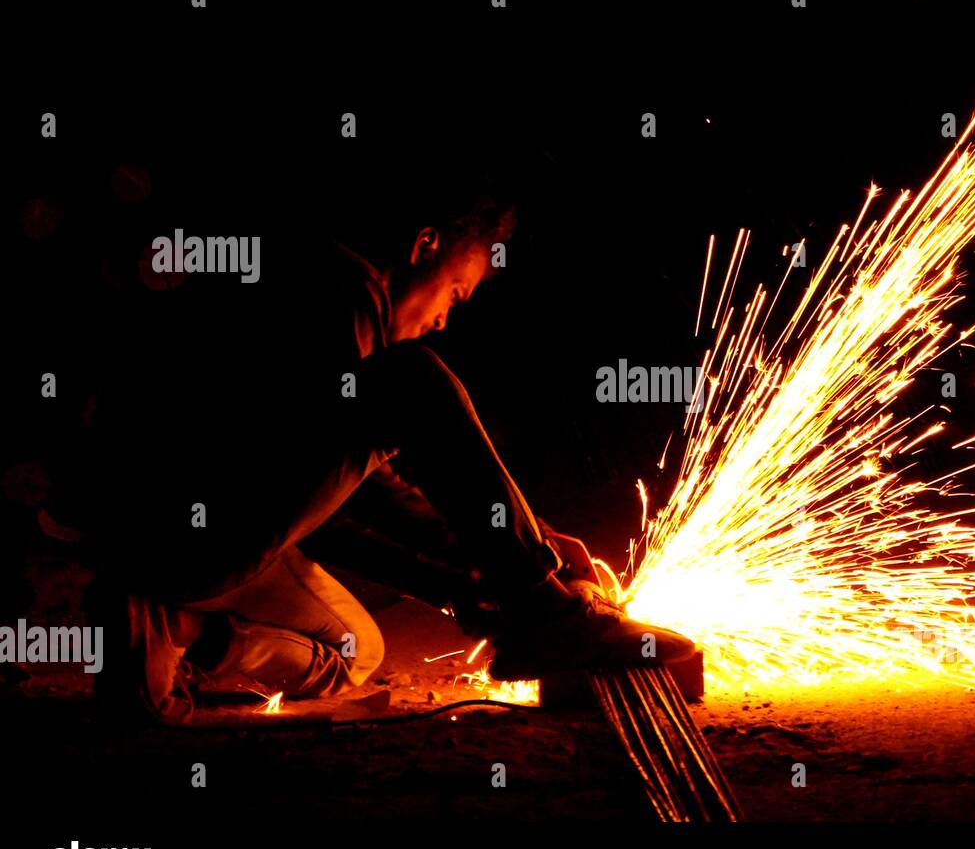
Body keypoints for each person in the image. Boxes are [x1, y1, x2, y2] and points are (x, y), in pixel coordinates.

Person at [85, 202, 694, 723]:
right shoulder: (335, 287)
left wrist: (464, 582)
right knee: (414, 383)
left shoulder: (331, 329)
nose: (444, 319)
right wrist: (520, 565)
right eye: (457, 292)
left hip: (186, 545)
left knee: (358, 652)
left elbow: (322, 512)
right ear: (425, 244)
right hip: (199, 531)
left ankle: (173, 626)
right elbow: (366, 494)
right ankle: (552, 617)